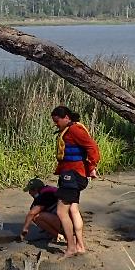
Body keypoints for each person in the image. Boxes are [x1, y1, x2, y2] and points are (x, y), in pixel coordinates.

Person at [51, 106, 100, 256]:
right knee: (73, 210)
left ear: (66, 117)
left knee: (61, 211)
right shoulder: (71, 129)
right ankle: (80, 246)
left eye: (57, 121)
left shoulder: (74, 130)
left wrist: (92, 166)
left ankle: (71, 247)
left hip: (72, 176)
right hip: (74, 175)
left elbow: (92, 147)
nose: (55, 124)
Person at [15, 177, 63, 244]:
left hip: (65, 223)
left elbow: (31, 213)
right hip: (66, 221)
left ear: (35, 190)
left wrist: (25, 230)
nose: (29, 193)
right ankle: (56, 232)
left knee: (36, 217)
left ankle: (58, 235)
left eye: (30, 191)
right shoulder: (48, 190)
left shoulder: (45, 195)